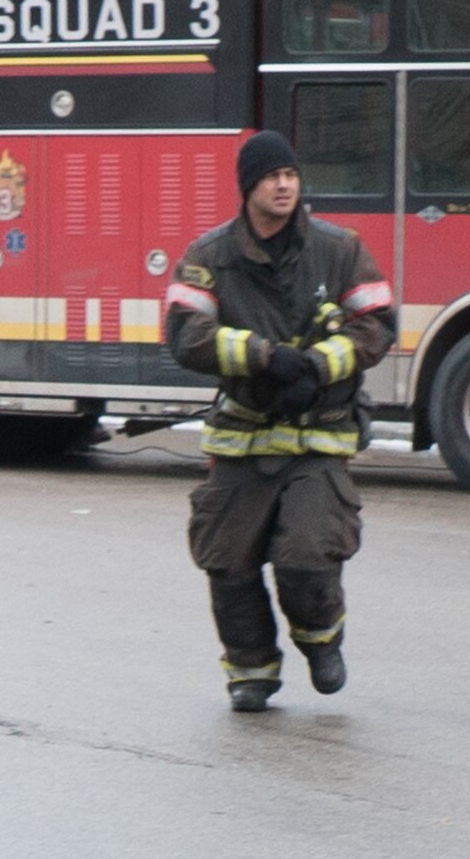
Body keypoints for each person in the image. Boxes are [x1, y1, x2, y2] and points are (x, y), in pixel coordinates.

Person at [163, 129, 395, 712]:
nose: (285, 184)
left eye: (290, 174)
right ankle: (251, 671)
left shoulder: (338, 249)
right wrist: (267, 358)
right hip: (242, 437)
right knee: (227, 561)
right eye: (272, 177)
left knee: (306, 557)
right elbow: (185, 335)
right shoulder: (208, 257)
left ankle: (322, 640)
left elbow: (378, 325)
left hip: (319, 437)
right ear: (248, 188)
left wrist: (316, 367)